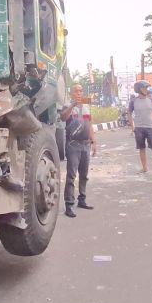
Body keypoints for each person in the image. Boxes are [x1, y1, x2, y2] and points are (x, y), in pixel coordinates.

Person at [59, 84, 97, 218]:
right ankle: (69, 204)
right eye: (76, 91)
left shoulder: (86, 107)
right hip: (73, 145)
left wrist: (94, 141)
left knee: (84, 175)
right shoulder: (67, 105)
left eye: (81, 91)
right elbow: (62, 117)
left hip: (85, 144)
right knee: (71, 176)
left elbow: (89, 124)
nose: (79, 93)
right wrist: (72, 105)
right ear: (71, 93)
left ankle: (82, 200)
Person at [128, 80, 152, 181]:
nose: (146, 90)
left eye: (146, 88)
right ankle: (144, 168)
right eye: (144, 88)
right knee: (141, 148)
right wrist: (132, 127)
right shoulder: (133, 101)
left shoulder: (150, 99)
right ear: (139, 89)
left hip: (150, 127)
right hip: (138, 128)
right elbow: (129, 113)